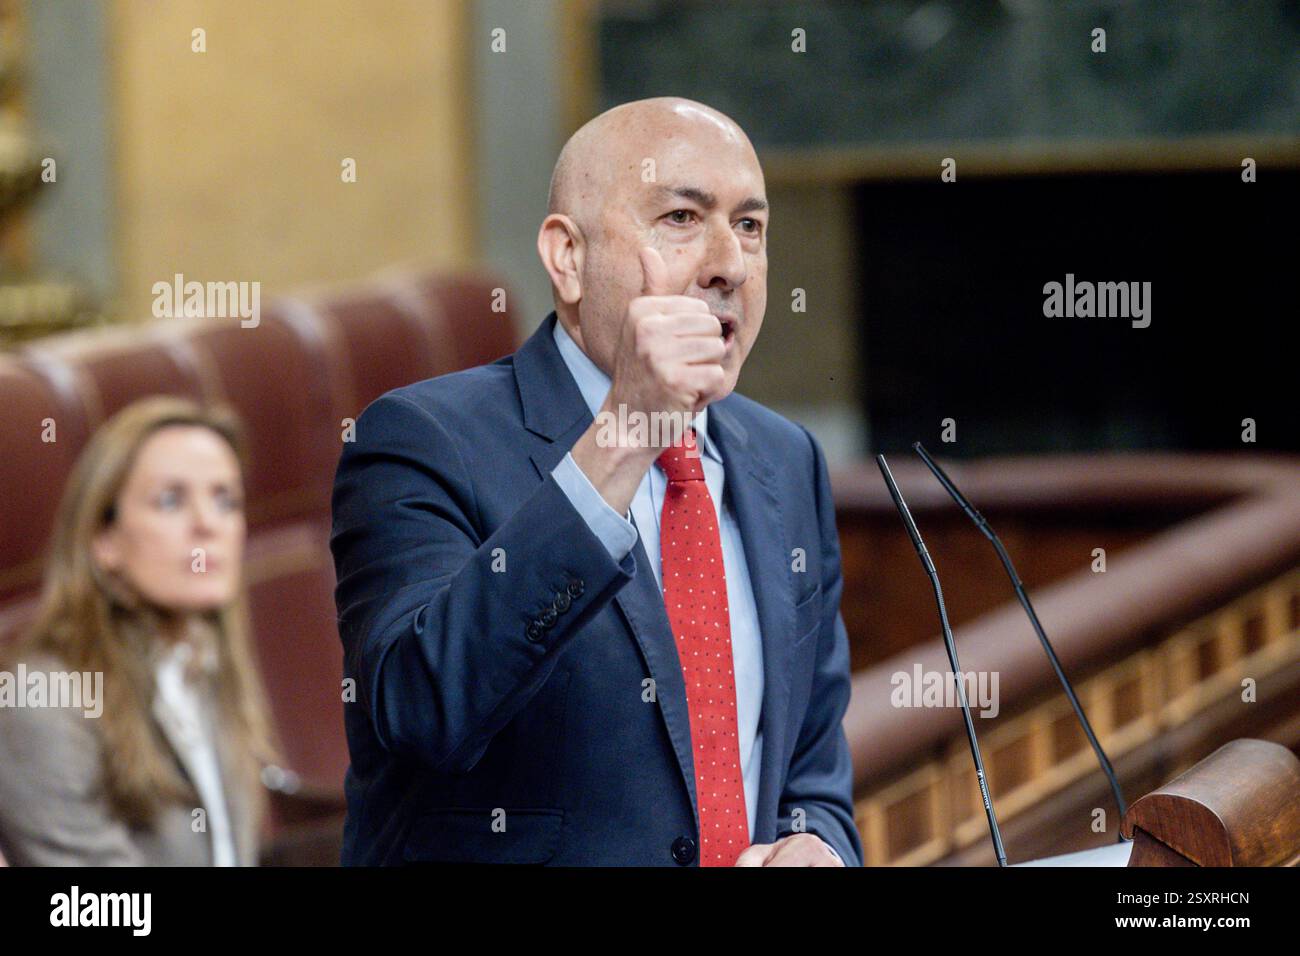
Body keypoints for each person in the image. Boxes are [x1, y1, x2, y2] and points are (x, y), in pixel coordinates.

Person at [331, 96, 863, 866]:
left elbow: (811, 756)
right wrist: (625, 438)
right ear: (568, 258)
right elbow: (425, 708)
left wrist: (816, 843)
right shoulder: (423, 440)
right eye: (682, 217)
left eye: (750, 226)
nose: (729, 265)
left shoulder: (786, 459)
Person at [0, 396, 280, 865]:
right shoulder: (38, 698)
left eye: (225, 500)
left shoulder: (203, 660)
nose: (208, 524)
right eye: (171, 500)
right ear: (103, 539)